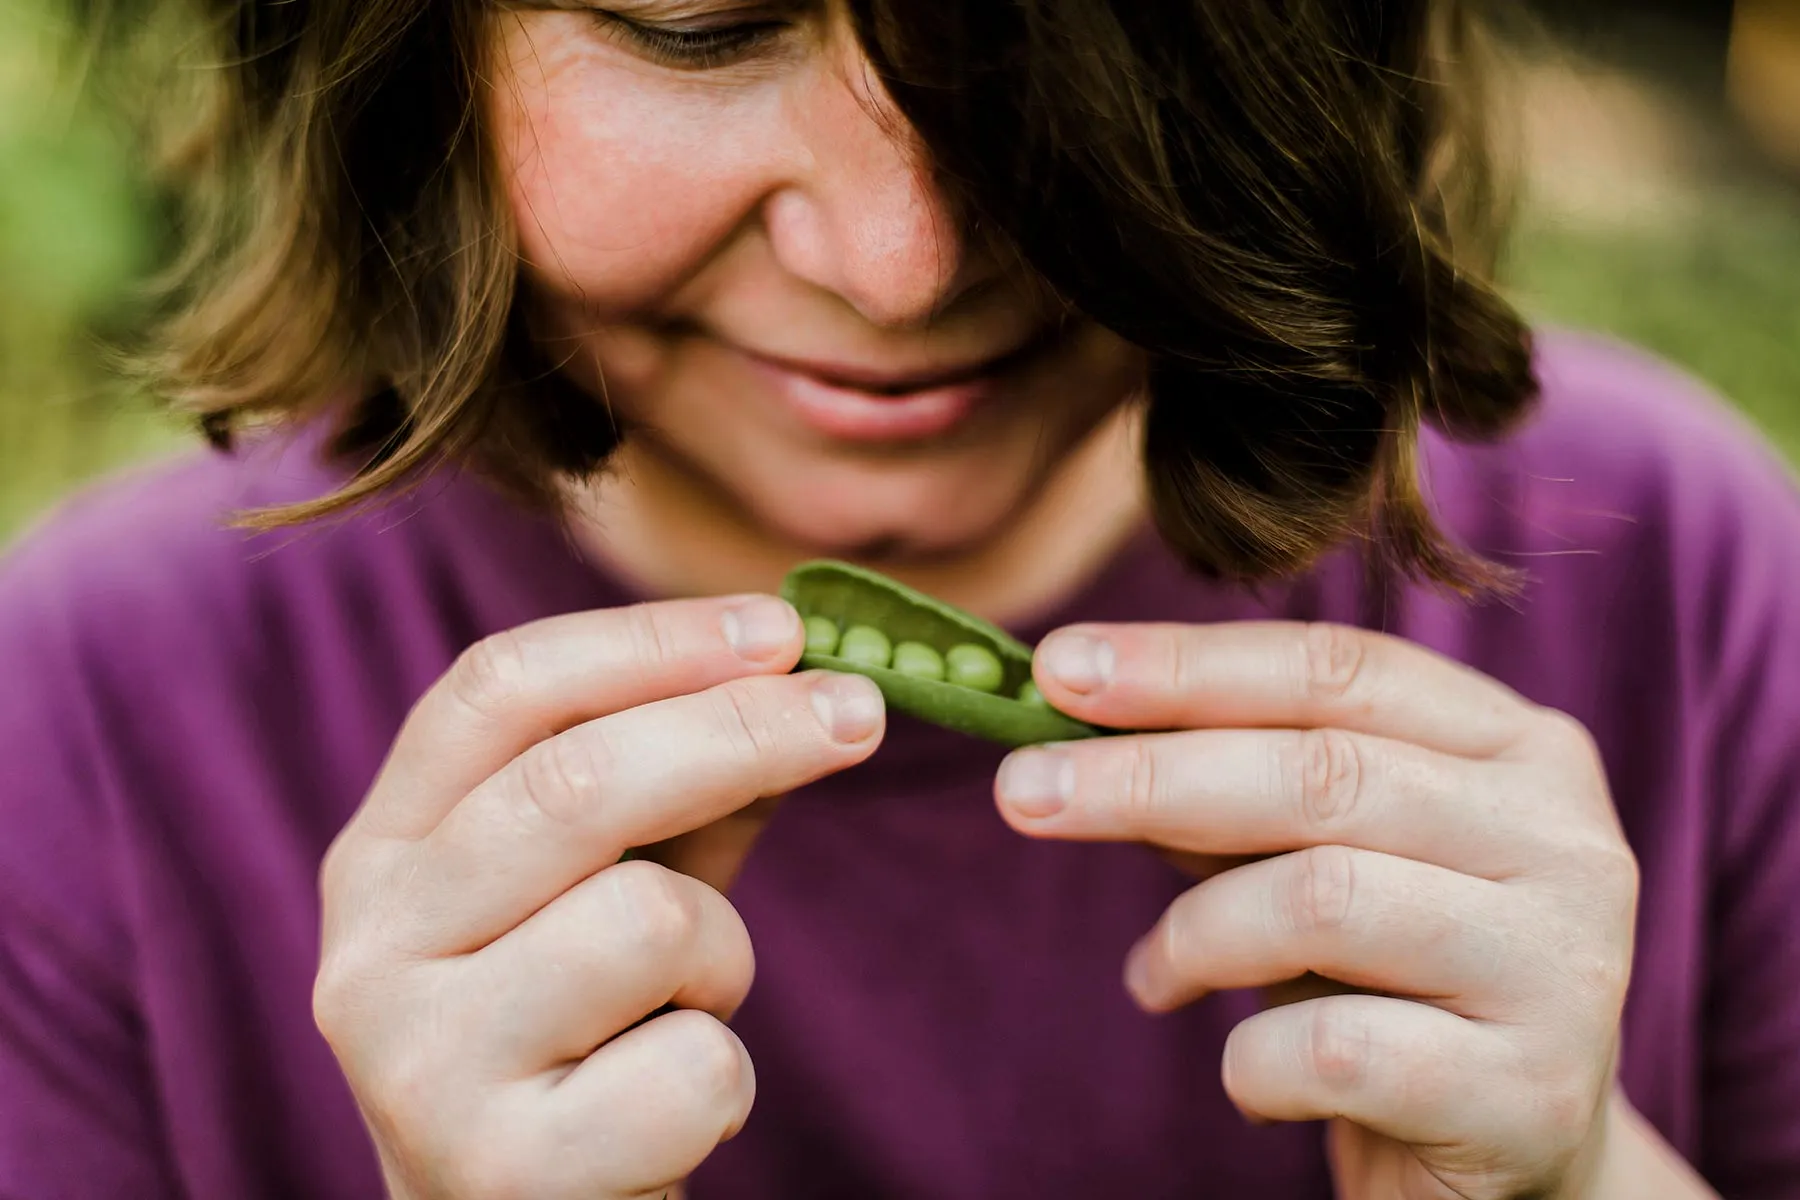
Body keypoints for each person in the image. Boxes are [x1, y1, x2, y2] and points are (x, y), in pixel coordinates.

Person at [1, 0, 1796, 1196]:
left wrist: (1594, 1182)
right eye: (700, 26)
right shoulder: (82, 724)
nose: (900, 263)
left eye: (1052, 30)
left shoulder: (1673, 575)